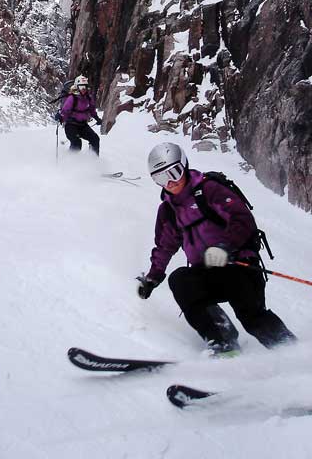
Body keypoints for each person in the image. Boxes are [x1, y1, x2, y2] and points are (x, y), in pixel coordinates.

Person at [137, 142, 296, 355]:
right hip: (206, 271)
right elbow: (165, 246)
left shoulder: (208, 190)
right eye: (161, 178)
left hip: (237, 264)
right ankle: (223, 342)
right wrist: (153, 278)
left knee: (251, 317)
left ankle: (293, 353)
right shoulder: (168, 211)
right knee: (181, 280)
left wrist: (224, 246)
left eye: (173, 173)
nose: (170, 183)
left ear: (183, 166)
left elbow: (241, 218)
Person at [58, 75, 102, 156]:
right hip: (71, 125)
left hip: (83, 125)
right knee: (77, 143)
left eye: (85, 87)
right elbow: (65, 111)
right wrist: (60, 117)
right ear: (77, 87)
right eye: (82, 87)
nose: (84, 89)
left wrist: (97, 118)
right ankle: (70, 161)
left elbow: (92, 110)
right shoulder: (72, 98)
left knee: (95, 139)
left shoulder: (88, 98)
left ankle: (93, 161)